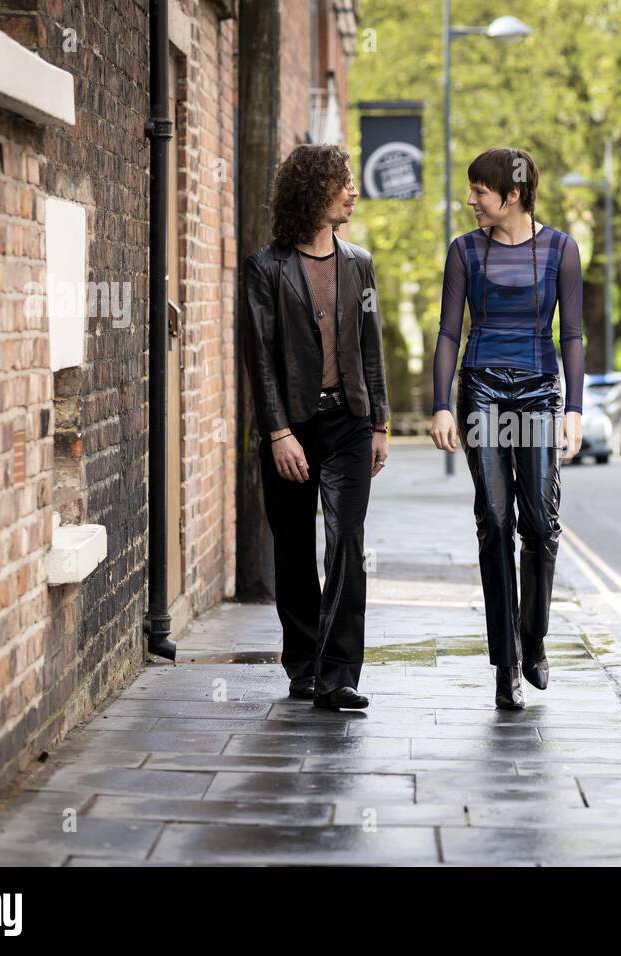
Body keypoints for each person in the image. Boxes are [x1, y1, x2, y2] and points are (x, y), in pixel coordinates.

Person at [429, 146, 585, 710]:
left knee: (540, 523)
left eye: (479, 191)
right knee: (494, 519)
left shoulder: (562, 249)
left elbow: (572, 335)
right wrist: (441, 404)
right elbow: (450, 331)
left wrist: (574, 410)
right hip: (482, 392)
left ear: (512, 195)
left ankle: (534, 637)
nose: (470, 200)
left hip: (541, 393)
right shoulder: (464, 252)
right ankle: (506, 666)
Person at [241, 143, 390, 711]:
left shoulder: (360, 263)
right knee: (296, 549)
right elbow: (260, 357)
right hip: (294, 426)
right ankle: (303, 663)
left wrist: (379, 421)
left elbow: (371, 350)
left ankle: (340, 674)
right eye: (343, 181)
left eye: (353, 181)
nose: (353, 190)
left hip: (349, 420)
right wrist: (277, 433)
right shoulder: (266, 267)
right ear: (313, 191)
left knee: (346, 541)